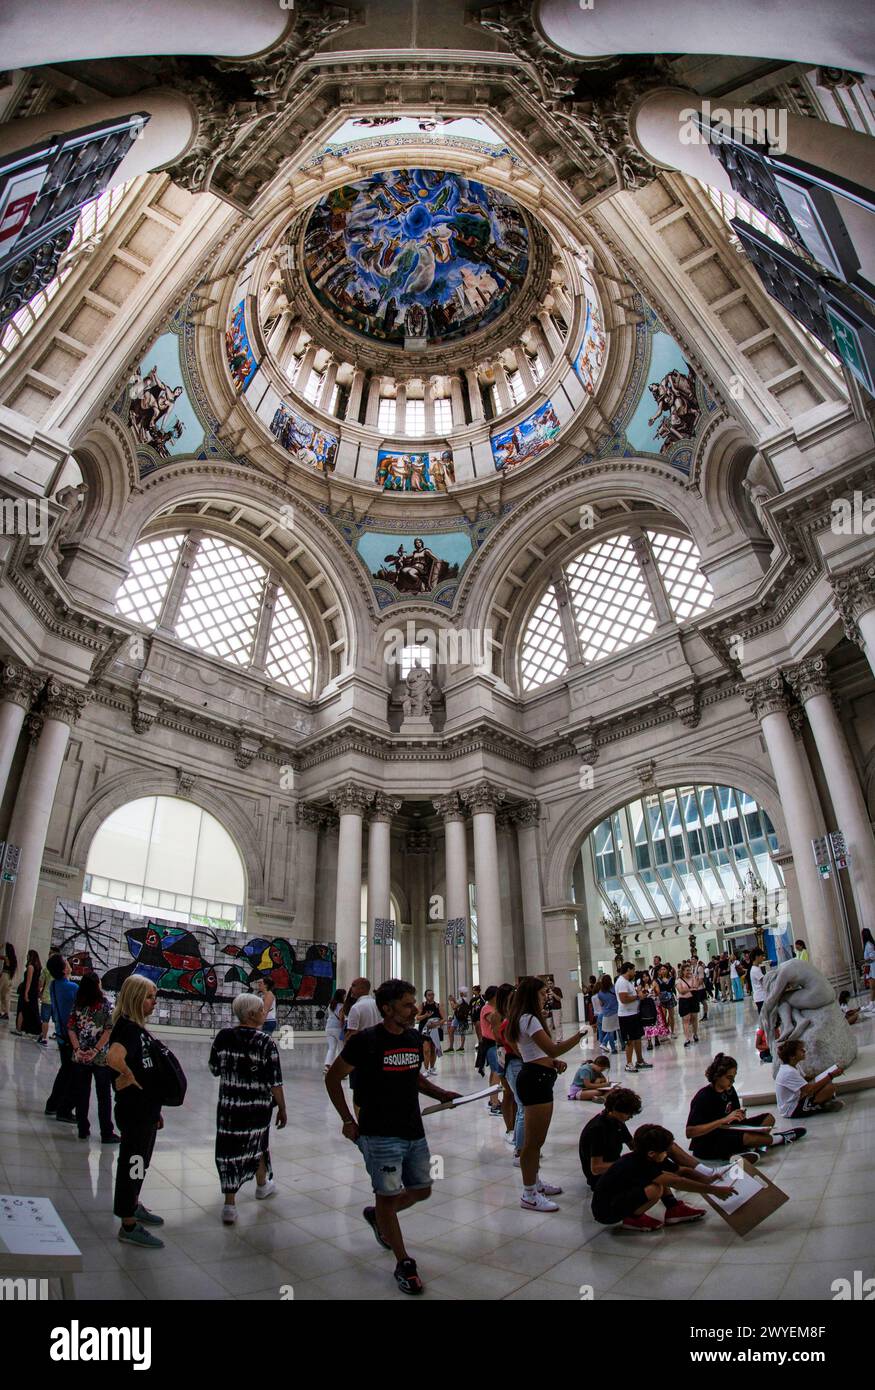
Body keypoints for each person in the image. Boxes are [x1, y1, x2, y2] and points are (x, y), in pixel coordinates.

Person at [325, 977, 460, 1295]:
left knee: (422, 1190)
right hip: (378, 1133)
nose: (414, 1009)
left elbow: (414, 1077)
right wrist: (347, 1120)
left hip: (413, 1129)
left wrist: (441, 1094)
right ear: (387, 1009)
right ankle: (403, 1262)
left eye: (414, 1003)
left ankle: (379, 1217)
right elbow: (333, 1079)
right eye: (407, 1005)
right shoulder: (366, 1041)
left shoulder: (413, 1038)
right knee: (386, 1195)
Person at [580, 1088, 716, 1226]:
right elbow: (596, 1168)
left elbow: (635, 1146)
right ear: (614, 1110)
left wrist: (655, 1145)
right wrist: (630, 1165)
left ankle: (679, 1200)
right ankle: (666, 1207)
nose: (630, 1117)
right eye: (627, 1113)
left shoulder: (617, 1122)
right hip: (602, 1178)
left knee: (661, 1148)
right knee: (654, 1176)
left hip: (618, 1168)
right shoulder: (598, 1130)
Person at [505, 976, 585, 1211]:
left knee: (537, 1140)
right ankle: (529, 1193)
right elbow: (553, 1048)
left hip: (538, 1075)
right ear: (532, 995)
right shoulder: (529, 1018)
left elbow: (535, 1053)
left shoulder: (522, 1018)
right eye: (542, 994)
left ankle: (535, 1182)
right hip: (535, 1080)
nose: (545, 997)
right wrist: (580, 1035)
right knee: (532, 1142)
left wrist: (550, 1062)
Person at [209, 992, 287, 1223]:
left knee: (228, 1150)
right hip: (257, 1107)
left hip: (229, 1106)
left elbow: (214, 1068)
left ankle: (230, 1204)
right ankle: (262, 1186)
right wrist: (282, 1108)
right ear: (252, 1014)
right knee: (258, 1143)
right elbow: (275, 1081)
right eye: (262, 1010)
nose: (265, 1013)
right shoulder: (265, 1042)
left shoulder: (224, 1037)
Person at [106, 976, 169, 1249]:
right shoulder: (129, 1030)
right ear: (134, 998)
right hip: (135, 1112)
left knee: (139, 1162)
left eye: (155, 996)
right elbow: (113, 1058)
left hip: (145, 1111)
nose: (154, 1002)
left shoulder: (136, 1028)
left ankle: (133, 1203)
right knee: (132, 1163)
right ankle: (128, 1223)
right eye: (149, 997)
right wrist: (127, 1077)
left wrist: (154, 1107)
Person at [591, 1123, 737, 1233]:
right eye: (665, 1151)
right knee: (656, 1188)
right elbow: (677, 1182)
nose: (667, 1154)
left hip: (621, 1195)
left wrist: (708, 1179)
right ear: (652, 1153)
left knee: (662, 1176)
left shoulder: (652, 1156)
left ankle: (673, 1209)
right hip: (606, 1211)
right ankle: (633, 1219)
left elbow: (682, 1171)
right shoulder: (637, 1164)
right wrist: (714, 1190)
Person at [686, 1053, 804, 1161]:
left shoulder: (729, 1090)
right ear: (717, 1076)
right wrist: (723, 1120)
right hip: (709, 1140)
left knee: (768, 1118)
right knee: (747, 1137)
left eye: (734, 1077)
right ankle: (780, 1139)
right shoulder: (703, 1097)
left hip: (730, 1129)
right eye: (729, 1077)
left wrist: (740, 1115)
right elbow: (690, 1132)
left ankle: (748, 1148)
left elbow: (734, 1115)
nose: (733, 1081)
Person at [68, 971, 118, 1143]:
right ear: (97, 985)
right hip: (100, 1058)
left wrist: (77, 1049)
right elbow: (109, 1030)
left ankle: (83, 1128)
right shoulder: (106, 1005)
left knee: (82, 1093)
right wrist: (96, 1050)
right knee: (104, 1096)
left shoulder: (78, 1005)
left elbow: (71, 1029)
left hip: (80, 1056)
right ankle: (106, 1132)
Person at [45, 954, 79, 1122]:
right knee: (72, 1073)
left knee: (65, 1071)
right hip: (70, 1035)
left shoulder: (53, 985)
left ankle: (53, 1104)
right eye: (66, 962)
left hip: (60, 1033)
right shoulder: (72, 987)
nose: (69, 963)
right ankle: (64, 1109)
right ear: (64, 969)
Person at [775, 1039, 844, 1118]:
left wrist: (825, 1074)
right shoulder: (788, 1072)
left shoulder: (794, 1065)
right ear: (792, 1056)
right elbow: (809, 1090)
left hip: (798, 1098)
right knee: (830, 1087)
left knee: (828, 1084)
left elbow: (805, 1079)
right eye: (800, 1050)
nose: (804, 1051)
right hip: (791, 1109)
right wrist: (830, 1075)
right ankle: (822, 1106)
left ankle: (823, 1104)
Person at [615, 962, 651, 1075]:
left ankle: (640, 1061)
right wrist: (637, 997)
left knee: (637, 1038)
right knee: (629, 1040)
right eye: (633, 970)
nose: (634, 972)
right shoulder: (621, 982)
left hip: (634, 1013)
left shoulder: (628, 982)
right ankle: (629, 1063)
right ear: (628, 970)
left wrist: (639, 993)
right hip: (626, 1016)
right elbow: (623, 999)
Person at [13, 948, 41, 1036]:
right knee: (31, 1010)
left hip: (28, 991)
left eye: (28, 955)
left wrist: (26, 993)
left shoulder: (30, 967)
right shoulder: (38, 967)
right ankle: (31, 1029)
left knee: (21, 1009)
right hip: (33, 992)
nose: (27, 956)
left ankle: (19, 1028)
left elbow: (28, 981)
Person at [415, 989, 444, 1076]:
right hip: (424, 1030)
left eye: (432, 994)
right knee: (426, 1050)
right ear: (425, 996)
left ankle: (432, 1068)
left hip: (435, 1030)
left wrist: (436, 1024)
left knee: (433, 1049)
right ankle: (426, 1069)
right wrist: (425, 1015)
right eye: (429, 995)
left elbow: (444, 1019)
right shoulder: (422, 1005)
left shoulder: (437, 1005)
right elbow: (417, 1017)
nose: (431, 996)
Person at [676, 963, 700, 1046]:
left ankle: (695, 1034)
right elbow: (681, 991)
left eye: (690, 970)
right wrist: (690, 989)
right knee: (686, 1019)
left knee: (694, 1017)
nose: (689, 972)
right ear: (682, 971)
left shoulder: (694, 978)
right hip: (684, 1001)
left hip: (693, 999)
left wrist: (689, 988)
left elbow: (696, 987)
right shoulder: (678, 980)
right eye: (687, 970)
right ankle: (687, 1038)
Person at [643, 980, 671, 1051]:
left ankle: (656, 1038)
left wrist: (653, 992)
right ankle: (649, 1041)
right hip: (646, 1007)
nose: (645, 978)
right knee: (647, 1024)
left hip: (655, 1005)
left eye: (646, 976)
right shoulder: (641, 985)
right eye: (643, 977)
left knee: (656, 1023)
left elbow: (658, 993)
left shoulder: (653, 983)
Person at [595, 973, 619, 1054]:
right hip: (614, 1012)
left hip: (605, 1013)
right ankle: (605, 1043)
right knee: (612, 1031)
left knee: (610, 1031)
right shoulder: (614, 988)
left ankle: (612, 1048)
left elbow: (601, 1004)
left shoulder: (600, 993)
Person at [324, 988, 346, 1070]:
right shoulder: (341, 1006)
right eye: (344, 995)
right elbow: (341, 1018)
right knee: (341, 1048)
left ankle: (327, 1065)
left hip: (328, 1028)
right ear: (341, 996)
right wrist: (343, 1029)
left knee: (331, 1048)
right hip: (337, 1029)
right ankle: (341, 1067)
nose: (345, 997)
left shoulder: (331, 1005)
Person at [0, 941, 17, 1021]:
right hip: (10, 977)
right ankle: (6, 1012)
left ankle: (2, 1011)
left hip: (5, 976)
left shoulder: (7, 958)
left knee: (2, 994)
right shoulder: (14, 960)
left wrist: (1, 946)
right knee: (6, 995)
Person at [749, 949, 769, 1015]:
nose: (763, 958)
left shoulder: (757, 968)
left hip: (761, 996)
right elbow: (765, 981)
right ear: (757, 957)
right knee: (764, 1017)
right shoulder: (755, 970)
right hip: (761, 997)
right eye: (762, 956)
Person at [861, 929, 875, 1009]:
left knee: (872, 987)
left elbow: (872, 957)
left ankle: (872, 1003)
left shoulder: (868, 945)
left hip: (872, 967)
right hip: (871, 967)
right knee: (872, 987)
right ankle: (872, 1003)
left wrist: (864, 961)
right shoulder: (868, 944)